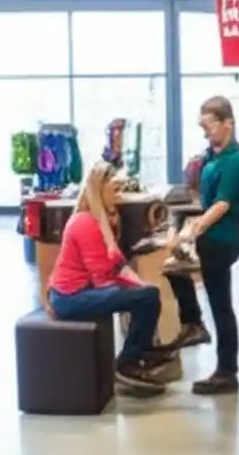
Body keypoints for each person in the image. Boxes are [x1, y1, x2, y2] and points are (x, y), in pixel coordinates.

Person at [46, 162, 176, 398]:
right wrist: (133, 293)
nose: (119, 197)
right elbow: (103, 279)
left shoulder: (100, 220)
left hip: (80, 292)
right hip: (69, 299)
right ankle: (128, 363)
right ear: (99, 189)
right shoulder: (86, 223)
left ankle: (142, 351)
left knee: (148, 295)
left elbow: (117, 268)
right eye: (114, 190)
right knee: (145, 298)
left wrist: (140, 287)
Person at [166, 96, 239, 395]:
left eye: (209, 126)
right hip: (208, 238)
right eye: (202, 127)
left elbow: (222, 204)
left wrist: (193, 229)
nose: (205, 132)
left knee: (221, 306)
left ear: (227, 123)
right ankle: (194, 323)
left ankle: (226, 370)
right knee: (173, 269)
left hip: (221, 241)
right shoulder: (213, 156)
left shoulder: (236, 163)